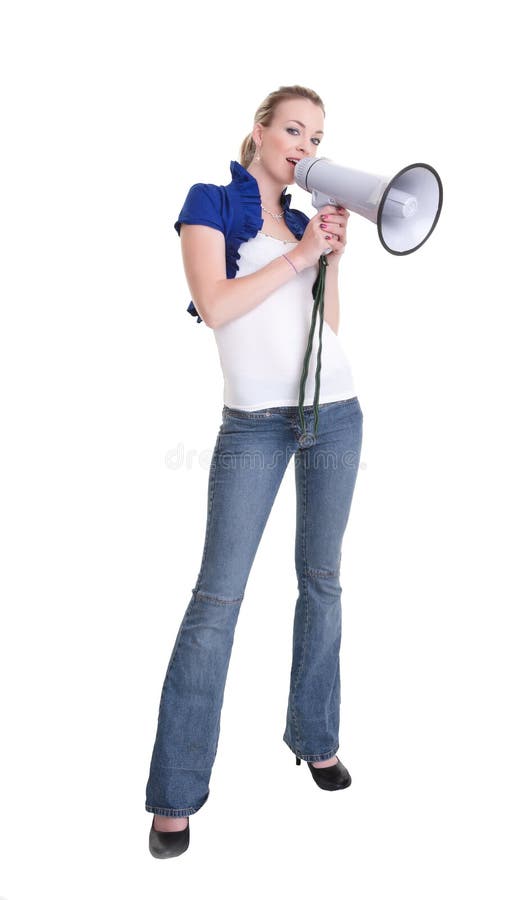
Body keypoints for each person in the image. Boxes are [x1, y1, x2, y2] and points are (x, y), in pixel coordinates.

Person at [146, 85, 364, 858]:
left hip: (334, 412)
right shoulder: (210, 201)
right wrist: (301, 256)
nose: (306, 144)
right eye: (294, 129)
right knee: (218, 597)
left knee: (323, 581)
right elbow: (213, 303)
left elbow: (324, 328)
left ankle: (316, 736)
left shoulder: (307, 222)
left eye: (319, 135)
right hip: (255, 427)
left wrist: (329, 258)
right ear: (262, 132)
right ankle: (175, 789)